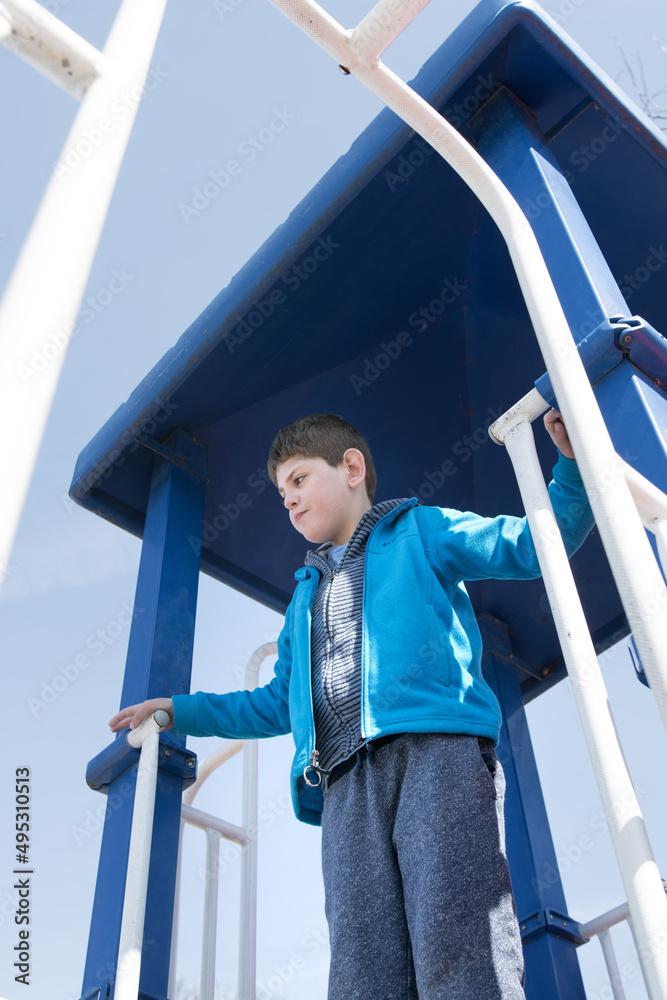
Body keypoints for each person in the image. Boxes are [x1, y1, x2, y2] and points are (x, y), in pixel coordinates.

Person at [109, 409, 594, 1000]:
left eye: (298, 480)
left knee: (457, 939)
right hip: (341, 784)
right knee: (364, 967)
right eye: (280, 493)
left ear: (352, 468)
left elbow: (530, 546)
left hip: (433, 755)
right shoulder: (303, 600)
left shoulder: (421, 531)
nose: (287, 501)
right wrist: (180, 711)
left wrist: (570, 466)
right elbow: (275, 703)